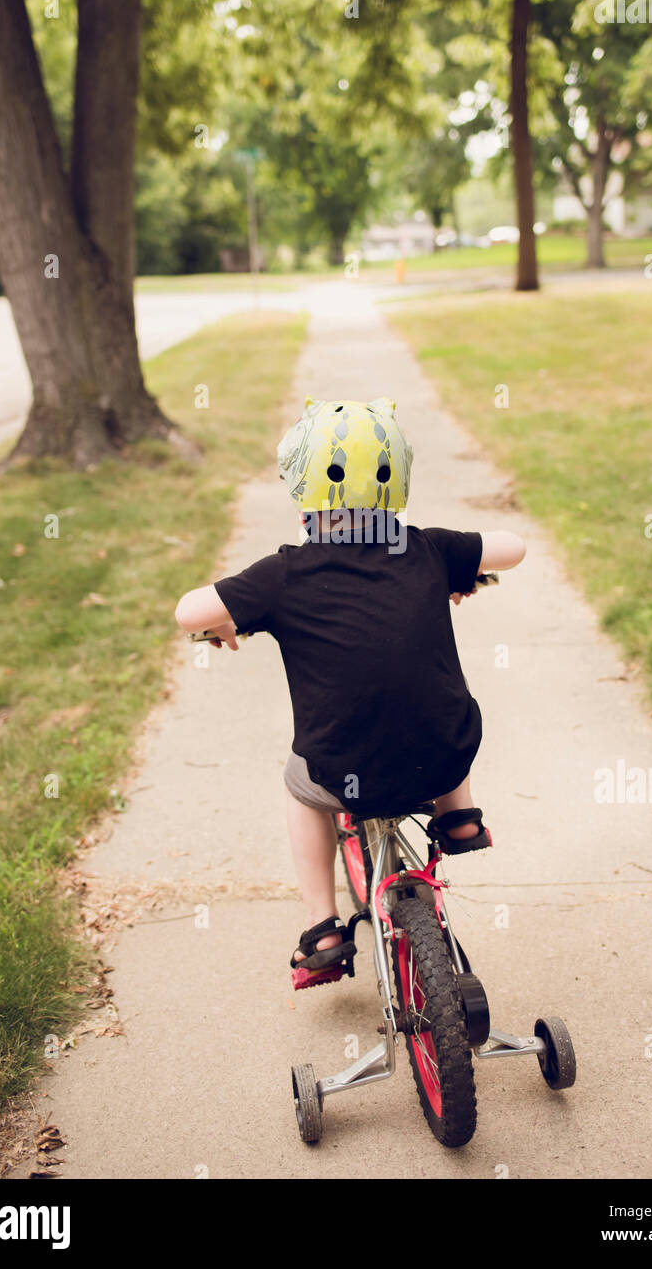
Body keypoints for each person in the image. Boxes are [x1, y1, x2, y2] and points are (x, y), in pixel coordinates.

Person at [175, 396, 526, 989]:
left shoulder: (282, 575)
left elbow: (188, 611)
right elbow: (512, 546)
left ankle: (325, 929)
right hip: (440, 754)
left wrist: (226, 621)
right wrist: (451, 577)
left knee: (300, 788)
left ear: (303, 490)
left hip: (342, 770)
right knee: (442, 708)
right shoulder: (430, 549)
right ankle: (459, 817)